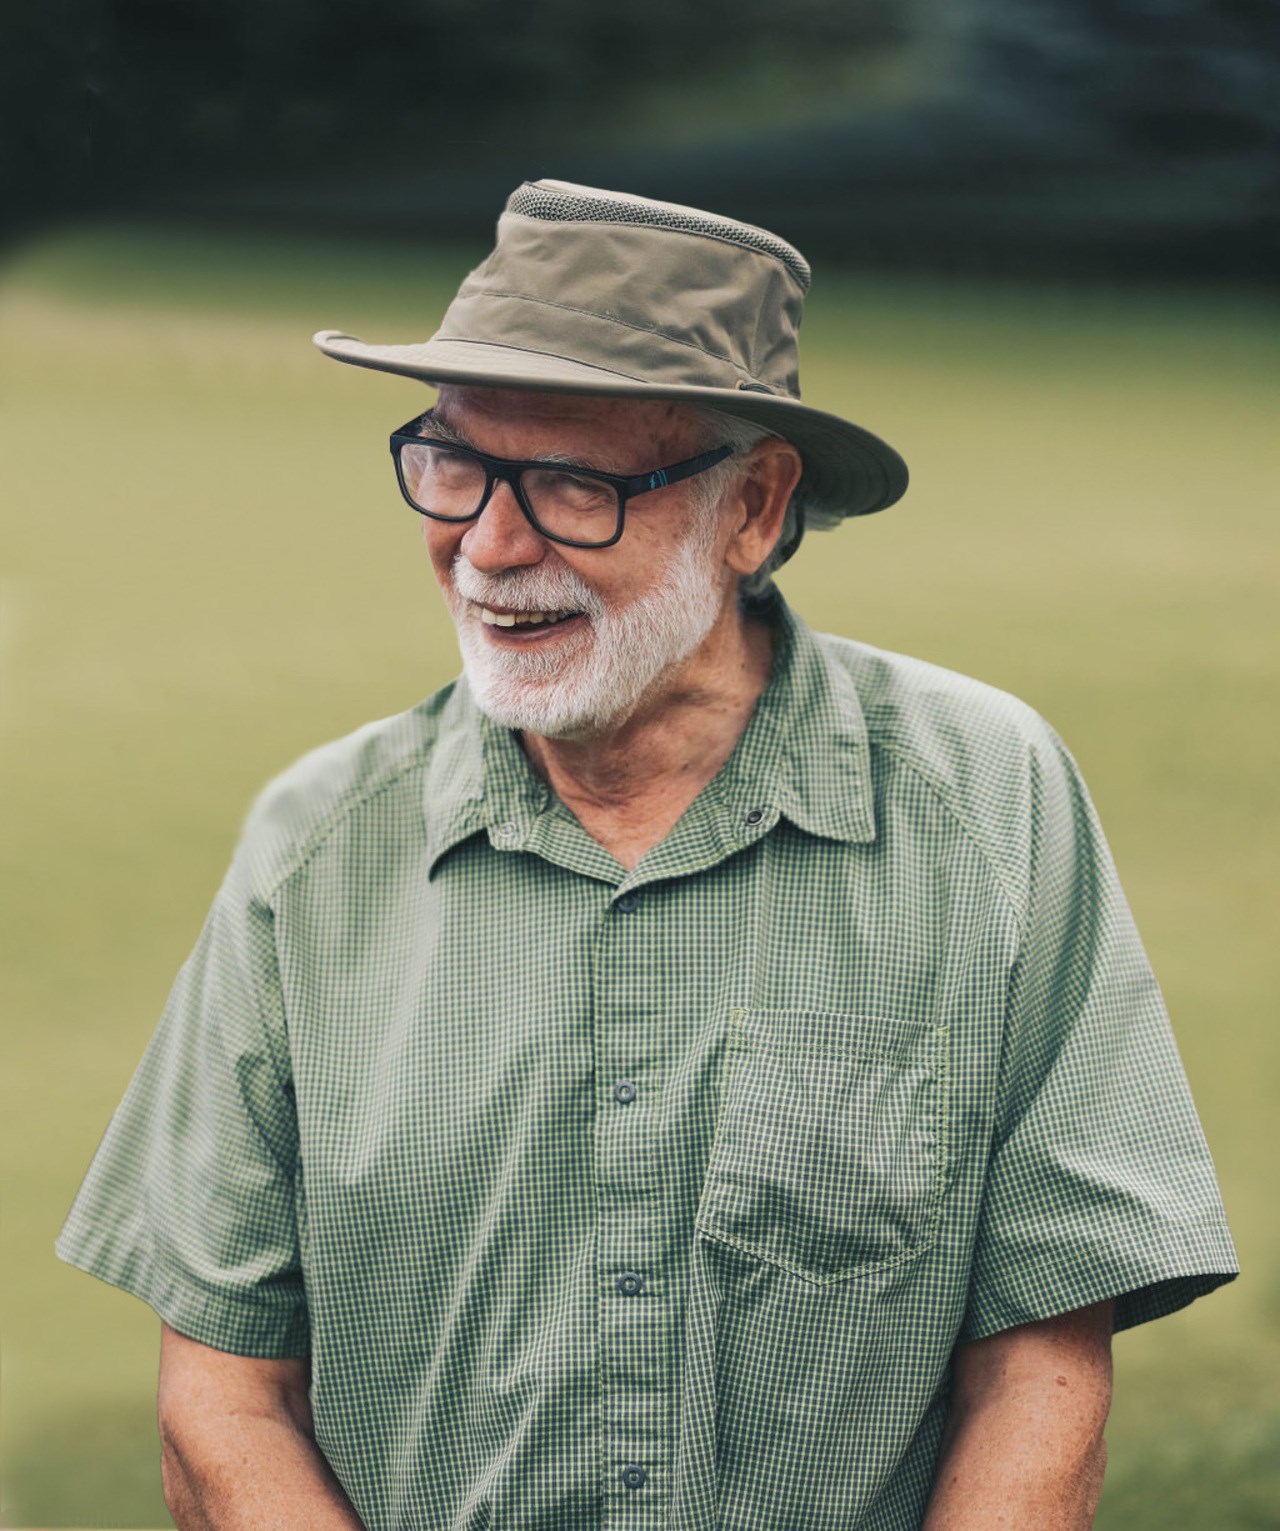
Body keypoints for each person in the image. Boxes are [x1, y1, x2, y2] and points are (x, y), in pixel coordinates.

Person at [58, 179, 1238, 1531]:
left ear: (753, 507)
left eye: (572, 483)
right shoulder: (312, 850)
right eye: (455, 463)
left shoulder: (986, 802)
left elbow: (1040, 1362)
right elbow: (222, 1398)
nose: (489, 548)